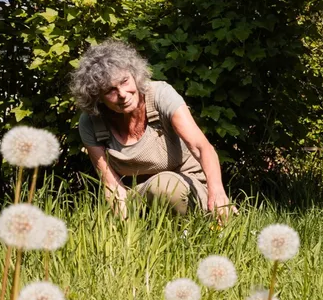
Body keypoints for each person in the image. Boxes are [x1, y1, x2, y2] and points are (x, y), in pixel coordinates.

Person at [69, 39, 232, 217]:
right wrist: (125, 231)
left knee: (165, 187)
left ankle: (189, 233)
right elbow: (112, 185)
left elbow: (202, 148)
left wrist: (217, 194)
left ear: (135, 75)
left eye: (124, 81)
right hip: (139, 198)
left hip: (186, 185)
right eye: (110, 90)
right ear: (97, 96)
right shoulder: (91, 122)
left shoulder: (160, 95)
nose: (122, 94)